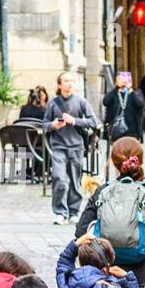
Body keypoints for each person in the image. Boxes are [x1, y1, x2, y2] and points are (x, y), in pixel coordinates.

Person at [75, 137, 145, 288]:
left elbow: (80, 231)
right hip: (144, 271)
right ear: (140, 160)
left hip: (107, 269)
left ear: (113, 162)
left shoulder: (102, 191)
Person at [42, 72, 99, 225]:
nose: (69, 83)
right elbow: (44, 125)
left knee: (74, 181)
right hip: (58, 146)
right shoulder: (53, 104)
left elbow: (94, 122)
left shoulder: (81, 102)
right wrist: (53, 125)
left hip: (76, 147)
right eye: (66, 81)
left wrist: (74, 121)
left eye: (72, 81)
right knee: (59, 179)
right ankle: (60, 212)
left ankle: (73, 212)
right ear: (59, 85)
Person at [102, 71, 145, 142]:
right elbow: (105, 102)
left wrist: (131, 91)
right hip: (116, 130)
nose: (123, 83)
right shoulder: (114, 93)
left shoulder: (133, 94)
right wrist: (116, 88)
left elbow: (140, 105)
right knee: (117, 151)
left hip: (132, 131)